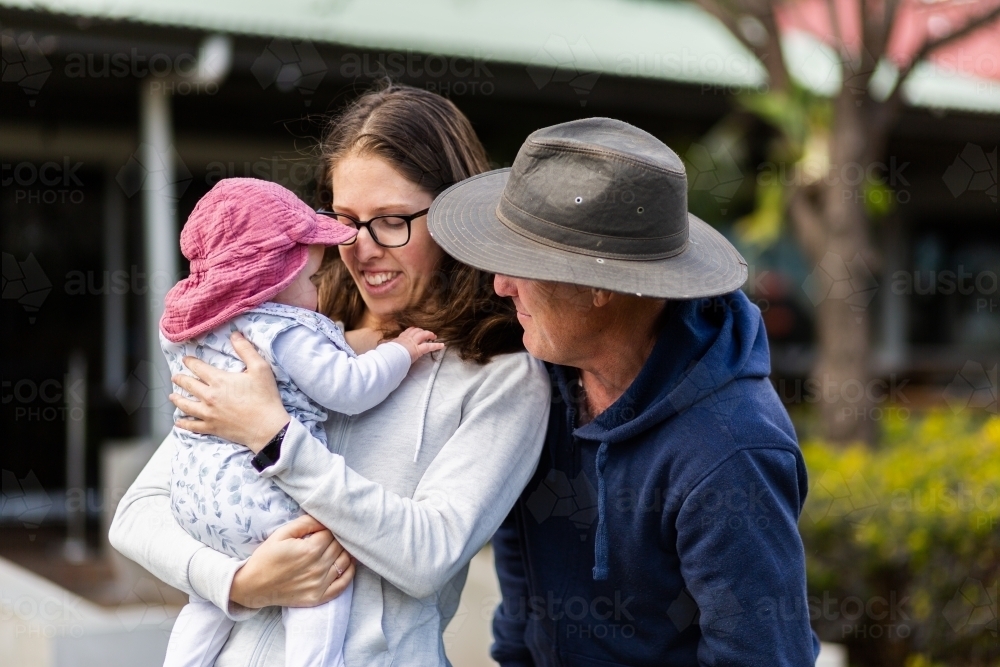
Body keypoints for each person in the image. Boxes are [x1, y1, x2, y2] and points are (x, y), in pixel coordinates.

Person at [110, 83, 551, 667]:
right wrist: (239, 583)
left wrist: (276, 439)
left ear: (454, 212)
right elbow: (137, 513)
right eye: (345, 220)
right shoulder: (285, 333)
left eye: (392, 221)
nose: (363, 249)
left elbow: (428, 554)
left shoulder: (500, 375)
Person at [427, 117, 820, 666]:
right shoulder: (538, 383)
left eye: (522, 265)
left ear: (599, 286)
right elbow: (523, 616)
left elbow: (761, 657)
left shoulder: (732, 449)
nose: (500, 285)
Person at [158, 177, 444, 667]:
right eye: (312, 281)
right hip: (260, 504)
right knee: (320, 585)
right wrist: (399, 352)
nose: (321, 286)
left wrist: (237, 586)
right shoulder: (284, 332)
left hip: (193, 503)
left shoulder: (198, 330)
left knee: (205, 608)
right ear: (271, 277)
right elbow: (349, 389)